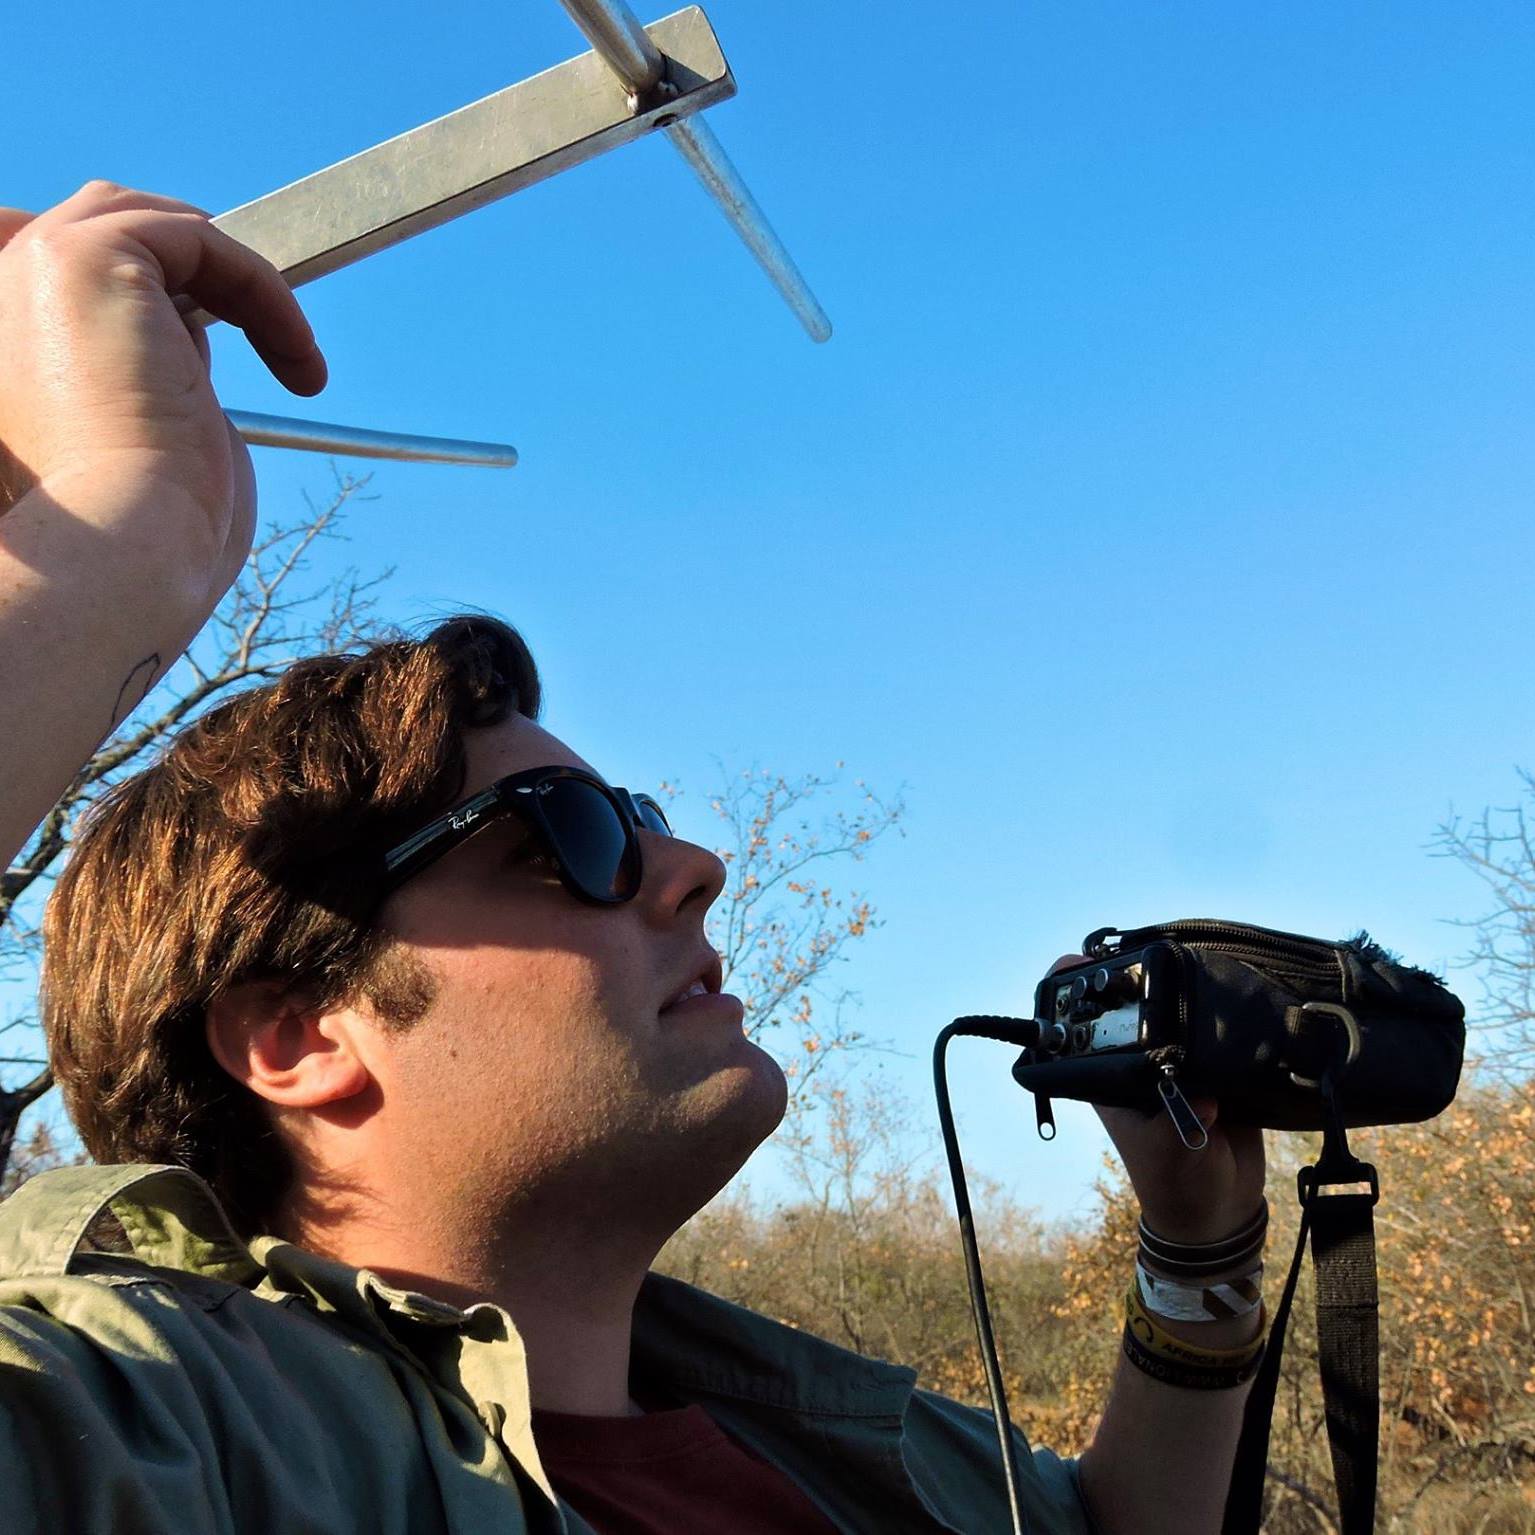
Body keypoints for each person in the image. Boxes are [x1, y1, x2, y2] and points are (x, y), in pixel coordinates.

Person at [0, 184, 1269, 1535]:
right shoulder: (161, 1430)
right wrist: (126, 527)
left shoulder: (826, 1437)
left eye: (642, 814)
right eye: (569, 834)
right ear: (299, 1036)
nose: (694, 867)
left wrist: (1199, 1251)